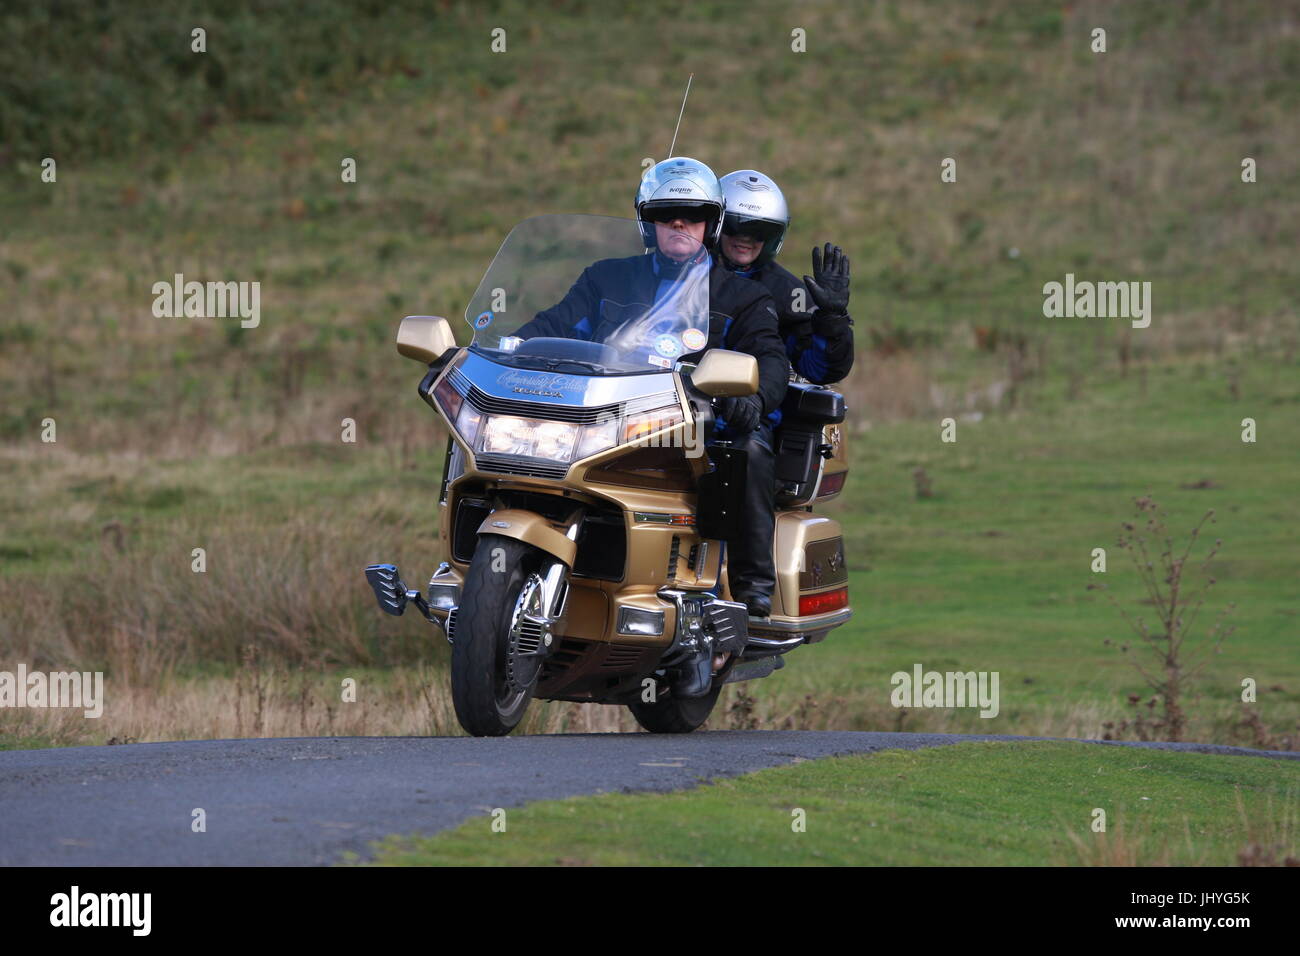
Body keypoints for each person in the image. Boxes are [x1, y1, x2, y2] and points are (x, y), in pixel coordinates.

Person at [515, 157, 789, 695]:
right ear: (648, 221)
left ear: (711, 223)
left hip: (698, 426)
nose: (680, 225)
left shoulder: (742, 296)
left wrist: (755, 396)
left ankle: (752, 589)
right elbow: (552, 324)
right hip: (611, 418)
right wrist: (501, 352)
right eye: (668, 215)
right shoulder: (606, 279)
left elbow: (771, 358)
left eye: (692, 215)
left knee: (750, 451)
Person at [717, 170, 853, 384]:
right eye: (734, 226)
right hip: (669, 402)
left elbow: (820, 370)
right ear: (716, 224)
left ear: (774, 237)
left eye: (759, 231)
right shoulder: (684, 274)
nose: (745, 238)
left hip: (749, 408)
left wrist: (832, 320)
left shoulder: (789, 293)